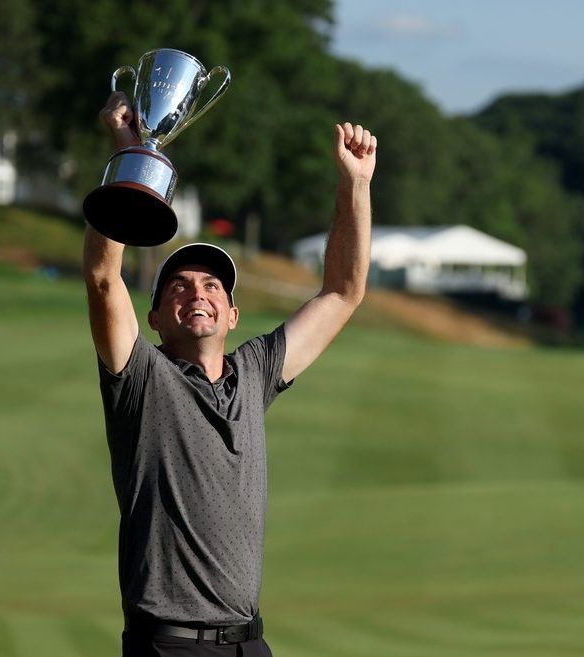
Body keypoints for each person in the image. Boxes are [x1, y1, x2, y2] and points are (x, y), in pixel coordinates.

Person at [83, 91, 377, 657]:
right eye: (179, 286)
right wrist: (132, 152)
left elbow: (343, 292)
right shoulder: (139, 378)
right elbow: (102, 278)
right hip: (169, 646)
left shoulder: (255, 374)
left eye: (213, 286)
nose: (198, 293)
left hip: (250, 645)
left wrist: (355, 186)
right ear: (155, 317)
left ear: (233, 314)